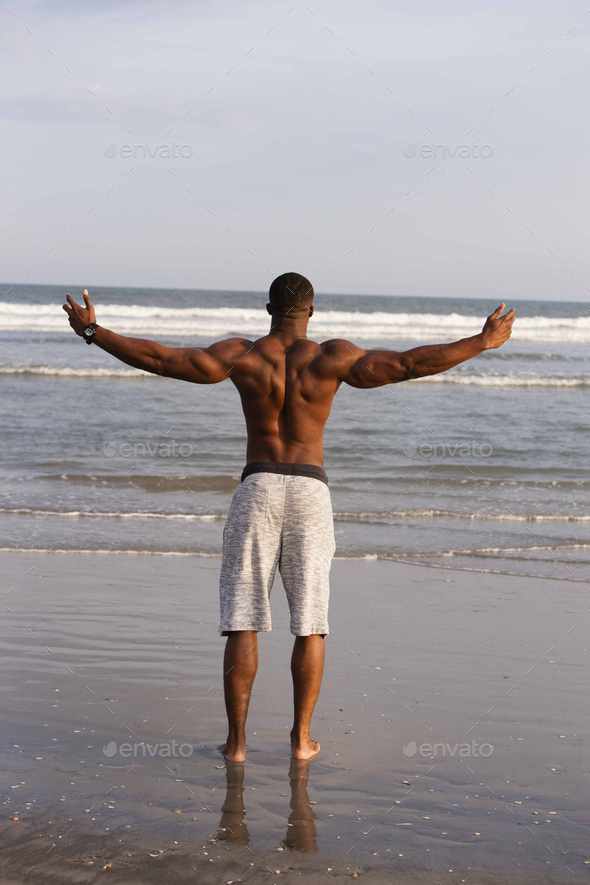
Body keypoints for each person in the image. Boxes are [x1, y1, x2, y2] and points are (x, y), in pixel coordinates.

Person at [63, 273, 515, 762]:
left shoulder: (242, 354)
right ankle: (301, 740)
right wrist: (481, 342)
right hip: (309, 490)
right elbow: (407, 364)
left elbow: (165, 361)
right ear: (312, 313)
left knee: (243, 619)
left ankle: (236, 745)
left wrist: (94, 332)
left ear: (268, 309)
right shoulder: (333, 357)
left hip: (257, 486)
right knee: (311, 622)